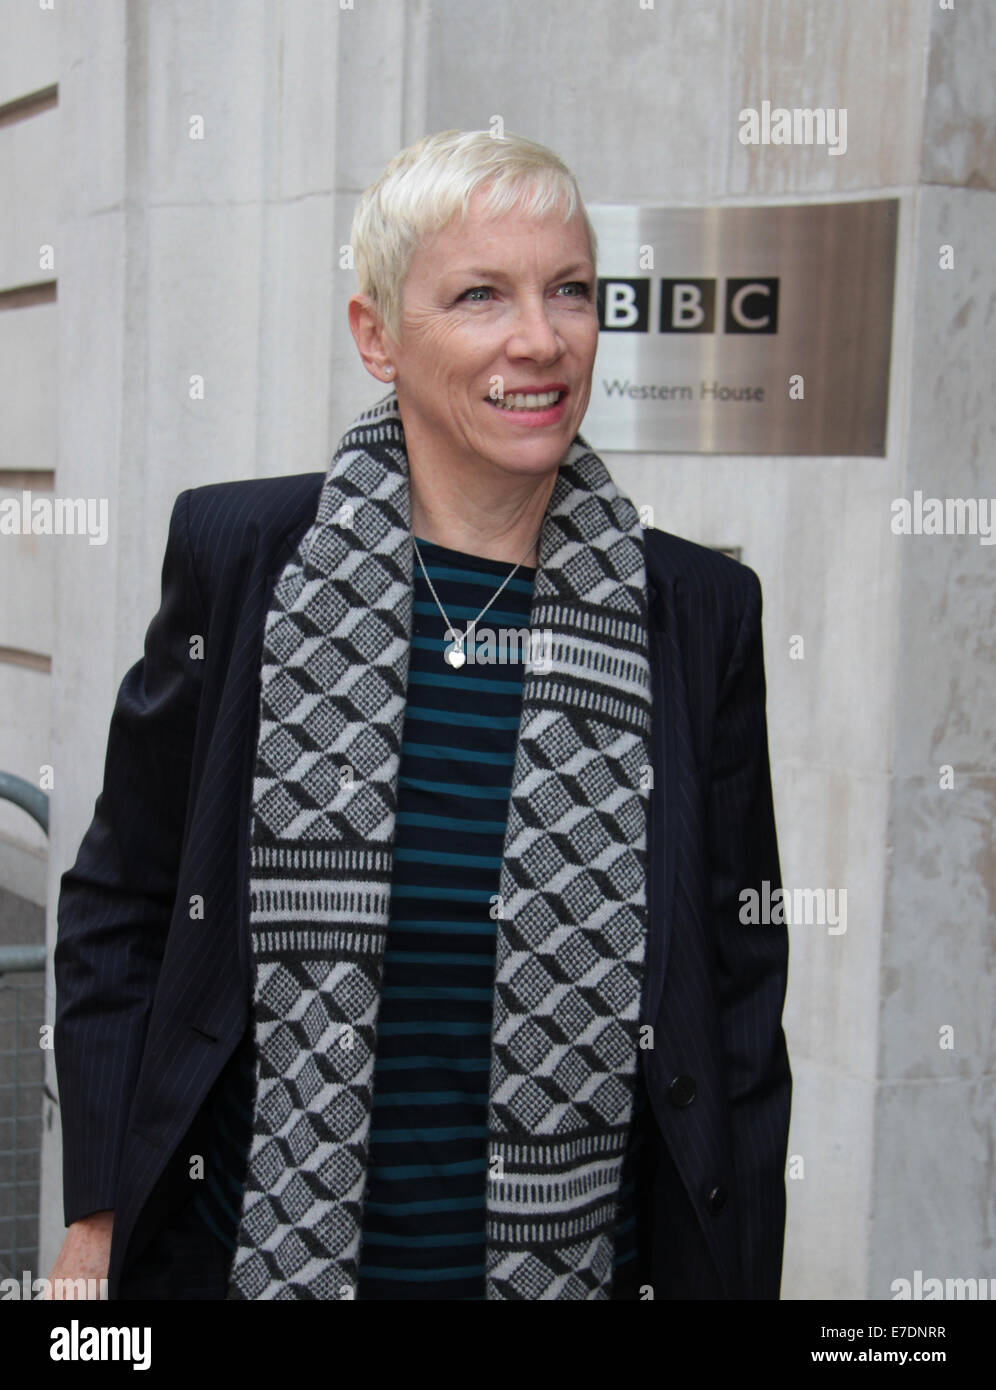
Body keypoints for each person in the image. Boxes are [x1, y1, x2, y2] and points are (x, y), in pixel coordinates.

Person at [49, 128, 791, 1300]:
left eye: (571, 292)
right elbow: (122, 902)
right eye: (481, 294)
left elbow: (739, 993)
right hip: (251, 1264)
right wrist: (94, 1217)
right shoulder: (242, 556)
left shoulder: (697, 613)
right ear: (378, 336)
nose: (538, 338)